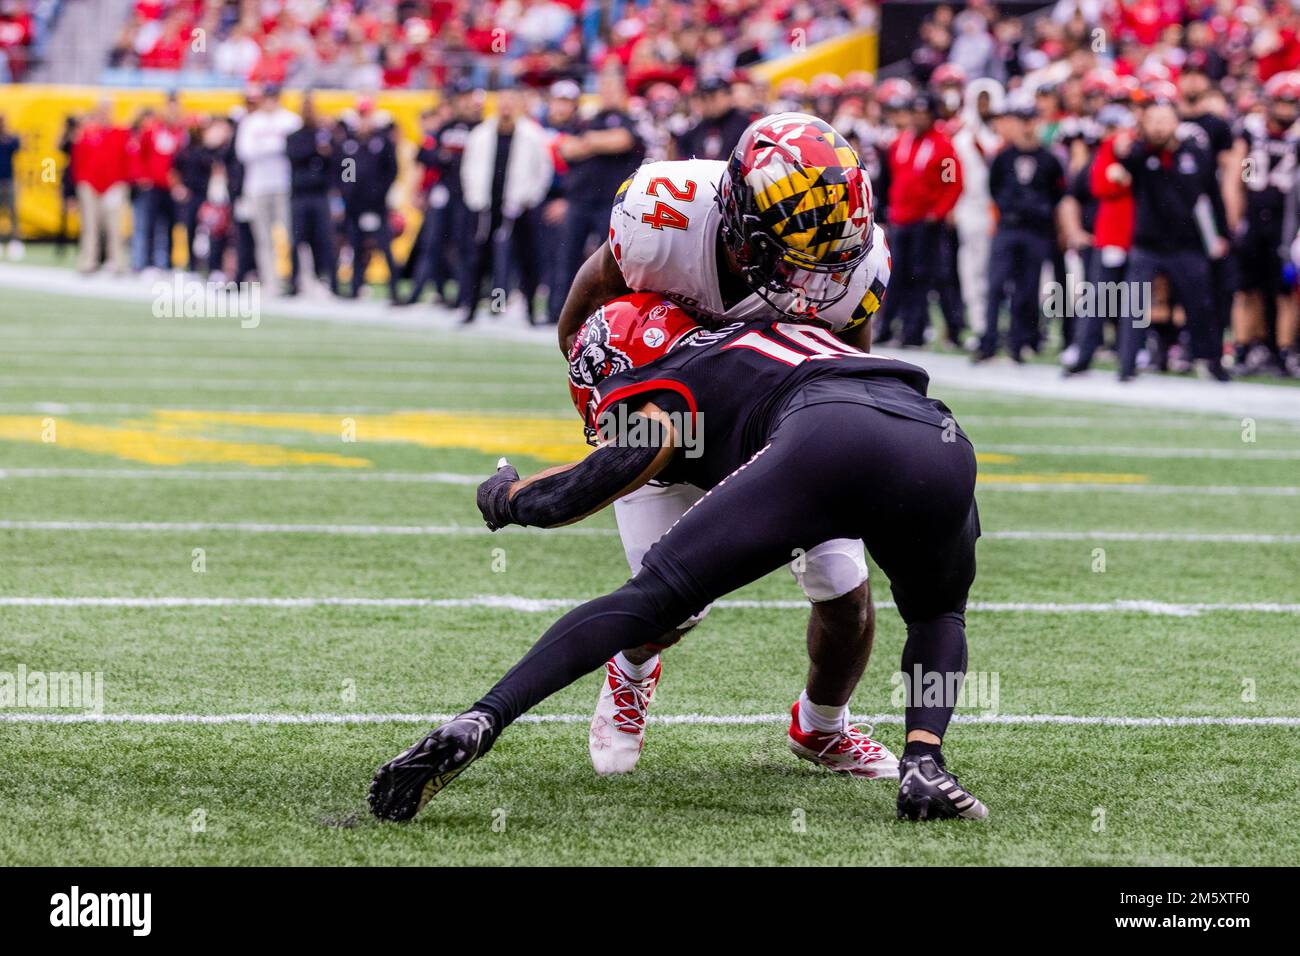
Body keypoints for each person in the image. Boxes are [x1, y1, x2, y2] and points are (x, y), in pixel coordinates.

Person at [369, 294, 986, 824]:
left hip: (823, 440)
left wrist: (506, 498)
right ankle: (925, 764)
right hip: (937, 437)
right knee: (937, 616)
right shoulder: (761, 325)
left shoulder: (673, 373)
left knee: (652, 600)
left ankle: (483, 719)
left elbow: (589, 482)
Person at [551, 113, 894, 777]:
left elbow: (852, 377)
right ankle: (632, 666)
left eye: (826, 266)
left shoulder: (851, 260)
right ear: (736, 217)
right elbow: (579, 328)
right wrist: (621, 426)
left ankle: (821, 727)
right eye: (794, 260)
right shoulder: (662, 218)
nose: (811, 286)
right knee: (672, 600)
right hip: (670, 419)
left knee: (846, 593)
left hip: (778, 423)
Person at [1112, 88, 1230, 382]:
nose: (1159, 126)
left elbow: (1212, 195)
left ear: (1177, 121)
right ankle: (1127, 365)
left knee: (1201, 304)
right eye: (1153, 120)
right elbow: (1122, 163)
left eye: (1165, 119)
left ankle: (1212, 361)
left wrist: (1221, 234)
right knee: (1135, 304)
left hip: (1186, 244)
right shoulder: (1140, 153)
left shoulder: (1196, 153)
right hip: (1147, 243)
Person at [548, 66, 644, 324]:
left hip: (611, 203)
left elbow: (623, 140)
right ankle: (558, 313)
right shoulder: (588, 119)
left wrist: (589, 142)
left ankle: (608, 314)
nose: (607, 93)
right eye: (604, 87)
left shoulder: (629, 118)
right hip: (580, 200)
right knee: (567, 256)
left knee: (609, 262)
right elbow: (566, 148)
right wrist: (599, 142)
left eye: (612, 87)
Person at [974, 94, 1066, 362]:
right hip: (1008, 227)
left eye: (1030, 119)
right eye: (1022, 120)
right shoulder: (1004, 157)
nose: (1026, 126)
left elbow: (1057, 192)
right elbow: (994, 187)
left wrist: (1040, 211)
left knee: (1027, 287)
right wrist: (1011, 208)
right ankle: (988, 341)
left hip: (1036, 231)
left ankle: (1019, 342)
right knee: (996, 285)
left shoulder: (1049, 159)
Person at [458, 86, 553, 323]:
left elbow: (543, 170)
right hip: (487, 206)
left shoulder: (532, 135)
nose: (506, 106)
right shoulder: (481, 134)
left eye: (511, 101)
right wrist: (475, 197)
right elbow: (468, 168)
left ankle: (531, 311)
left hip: (519, 206)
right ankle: (470, 307)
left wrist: (530, 197)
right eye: (502, 101)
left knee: (527, 257)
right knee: (478, 257)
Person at [878, 90, 963, 347]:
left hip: (925, 223)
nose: (917, 119)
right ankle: (888, 327)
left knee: (919, 277)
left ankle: (913, 331)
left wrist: (937, 213)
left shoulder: (943, 145)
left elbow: (953, 183)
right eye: (914, 113)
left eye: (923, 114)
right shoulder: (900, 142)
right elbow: (891, 178)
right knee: (896, 276)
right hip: (901, 219)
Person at [235, 84, 300, 294]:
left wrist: (266, 148)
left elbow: (296, 151)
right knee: (263, 238)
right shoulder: (251, 122)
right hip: (258, 186)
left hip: (285, 185)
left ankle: (298, 279)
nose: (271, 101)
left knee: (292, 235)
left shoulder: (290, 120)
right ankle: (270, 282)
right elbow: (245, 153)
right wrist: (275, 147)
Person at [337, 98, 399, 300]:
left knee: (384, 246)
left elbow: (390, 171)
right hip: (355, 206)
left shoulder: (381, 142)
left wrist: (379, 193)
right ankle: (356, 286)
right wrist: (348, 194)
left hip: (377, 205)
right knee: (355, 246)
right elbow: (346, 174)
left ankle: (394, 288)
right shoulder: (349, 144)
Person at [285, 91, 338, 296]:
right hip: (300, 194)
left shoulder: (326, 136)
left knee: (323, 239)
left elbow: (342, 164)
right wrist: (316, 150)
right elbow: (294, 156)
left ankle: (327, 280)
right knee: (297, 240)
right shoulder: (296, 136)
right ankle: (295, 282)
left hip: (320, 194)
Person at [72, 102, 130, 275]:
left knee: (115, 227)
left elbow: (125, 159)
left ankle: (118, 263)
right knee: (90, 226)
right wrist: (81, 183)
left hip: (113, 185)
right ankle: (88, 262)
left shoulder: (120, 133)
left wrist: (122, 183)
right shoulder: (87, 133)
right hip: (89, 185)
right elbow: (78, 160)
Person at [0, 114, 19, 249]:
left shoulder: (9, 138)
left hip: (8, 180)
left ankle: (14, 240)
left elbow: (15, 144)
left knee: (12, 211)